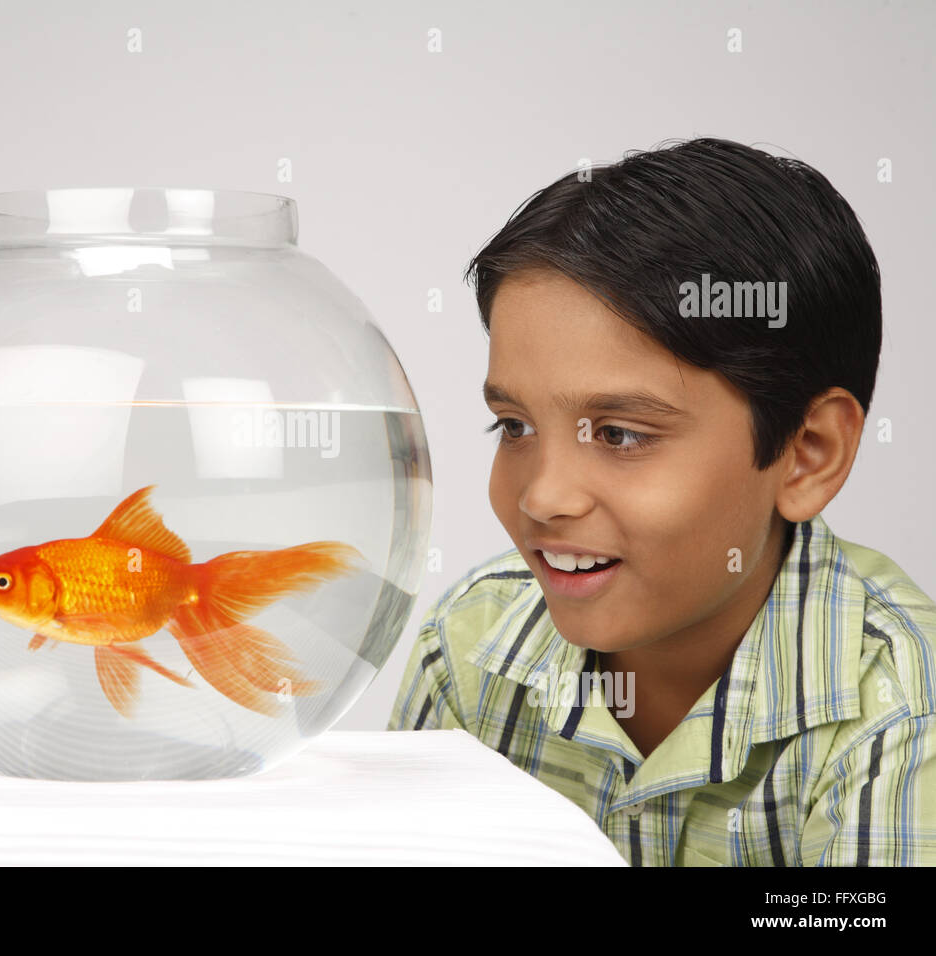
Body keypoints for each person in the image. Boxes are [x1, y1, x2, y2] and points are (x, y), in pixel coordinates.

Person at [387, 138, 936, 866]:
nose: (544, 495)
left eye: (619, 434)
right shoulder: (465, 649)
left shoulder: (903, 706)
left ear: (809, 453)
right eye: (514, 426)